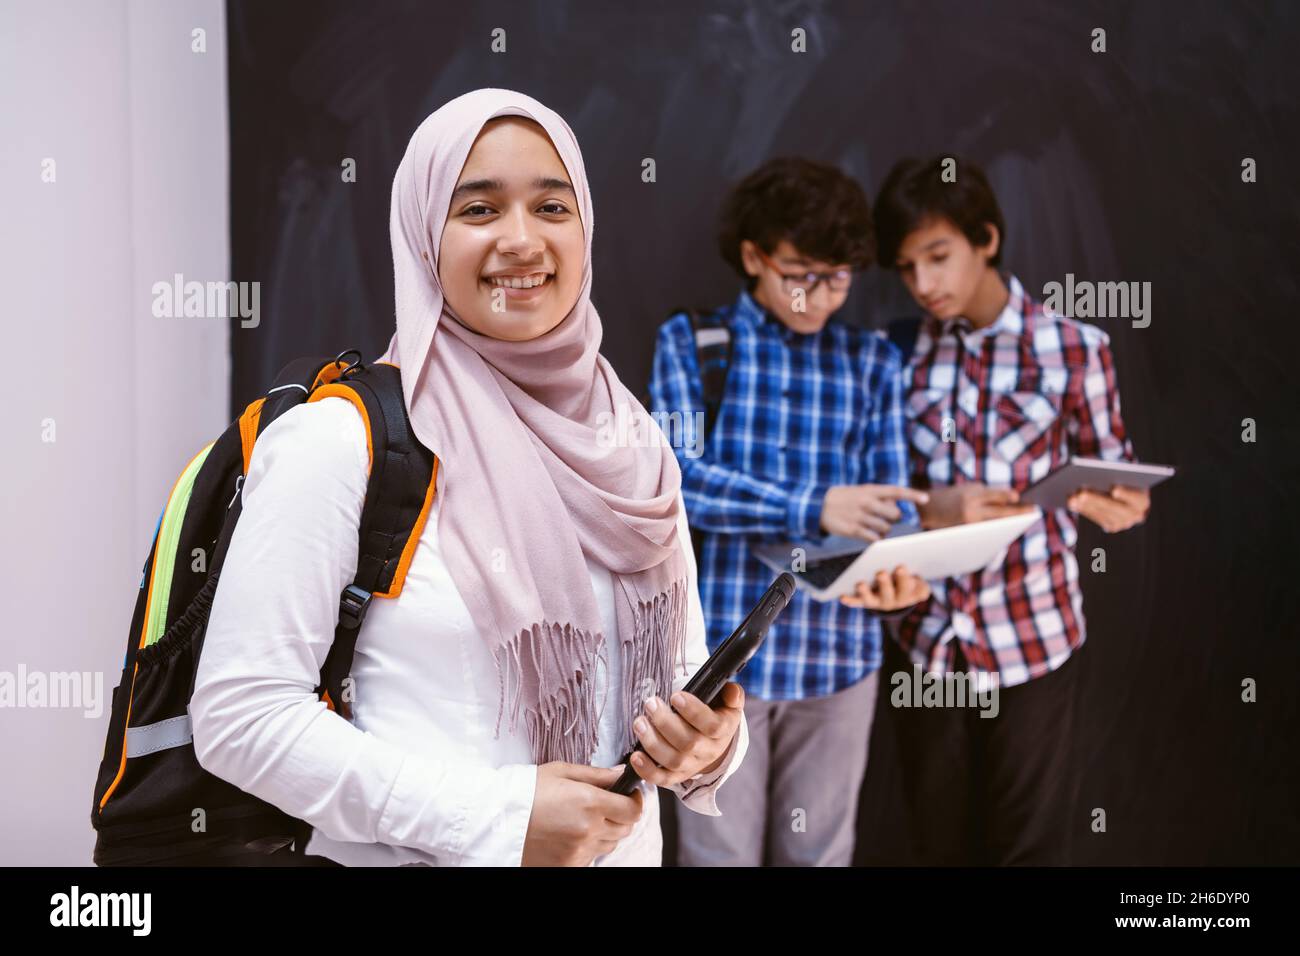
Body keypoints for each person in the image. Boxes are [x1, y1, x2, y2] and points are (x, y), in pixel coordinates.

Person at [190, 88, 749, 867]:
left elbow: (678, 664)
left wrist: (709, 747)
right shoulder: (342, 440)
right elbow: (241, 717)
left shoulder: (632, 441)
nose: (522, 241)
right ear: (424, 234)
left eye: (553, 208)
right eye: (478, 210)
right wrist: (497, 817)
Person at [648, 157, 931, 867]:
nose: (822, 298)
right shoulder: (695, 343)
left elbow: (889, 505)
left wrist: (903, 568)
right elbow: (677, 481)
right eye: (802, 275)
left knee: (822, 856)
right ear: (754, 256)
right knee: (718, 858)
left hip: (839, 658)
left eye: (838, 279)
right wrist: (816, 505)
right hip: (719, 660)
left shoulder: (872, 361)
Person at [873, 155, 1152, 865]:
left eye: (938, 257)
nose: (924, 284)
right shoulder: (895, 355)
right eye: (907, 268)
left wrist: (1117, 505)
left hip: (1033, 635)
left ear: (986, 239)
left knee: (1027, 851)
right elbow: (874, 491)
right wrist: (932, 509)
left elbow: (1113, 473)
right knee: (937, 845)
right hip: (926, 638)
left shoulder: (1076, 349)